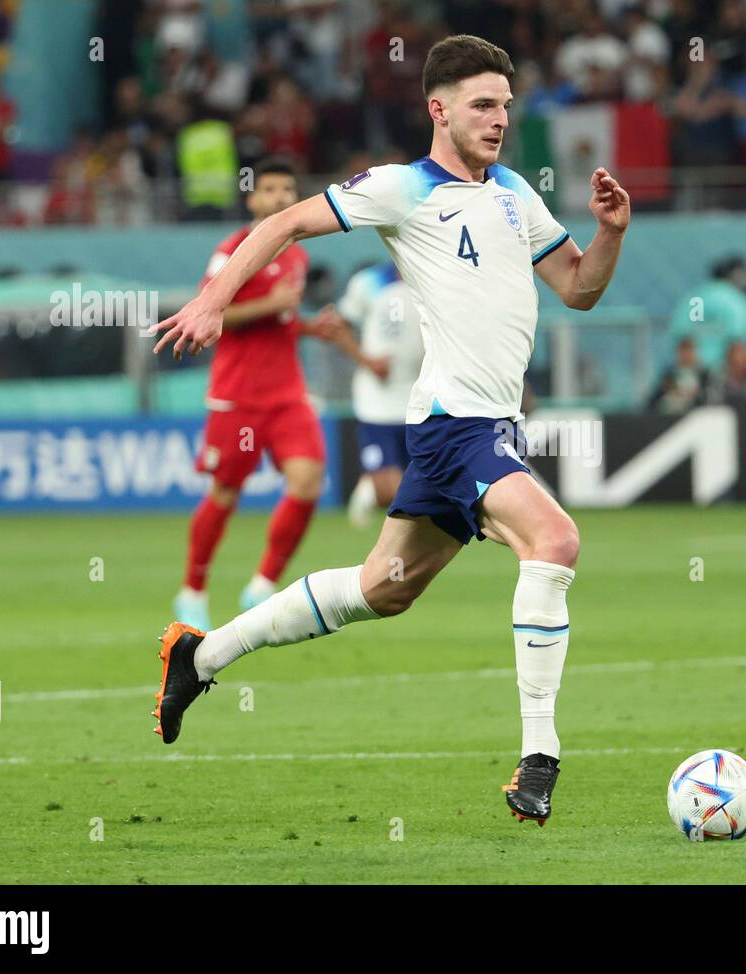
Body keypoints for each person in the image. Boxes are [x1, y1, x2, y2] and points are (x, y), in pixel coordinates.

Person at [148, 35, 631, 827]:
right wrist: (214, 301)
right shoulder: (403, 189)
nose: (500, 119)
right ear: (438, 110)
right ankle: (540, 753)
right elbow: (282, 226)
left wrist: (609, 233)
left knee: (384, 590)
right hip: (456, 425)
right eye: (483, 104)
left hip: (481, 426)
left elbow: (578, 289)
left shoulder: (517, 196)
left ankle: (200, 656)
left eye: (506, 105)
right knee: (557, 542)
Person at [172, 157, 345, 633]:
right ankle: (192, 589)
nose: (281, 197)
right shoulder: (230, 252)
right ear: (252, 197)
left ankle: (263, 585)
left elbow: (281, 323)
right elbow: (207, 314)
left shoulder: (297, 253)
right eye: (270, 189)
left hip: (287, 392)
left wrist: (310, 327)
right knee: (226, 491)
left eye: (288, 189)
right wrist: (272, 305)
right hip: (238, 396)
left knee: (308, 482)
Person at [329, 261, 425, 528]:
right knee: (391, 493)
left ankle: (370, 488)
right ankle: (372, 488)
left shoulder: (433, 274)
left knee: (417, 491)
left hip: (420, 397)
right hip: (377, 401)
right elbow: (337, 326)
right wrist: (367, 361)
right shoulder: (368, 282)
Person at [668, 254, 746, 368]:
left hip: (694, 368)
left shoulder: (695, 296)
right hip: (726, 371)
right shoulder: (737, 299)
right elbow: (738, 340)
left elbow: (682, 333)